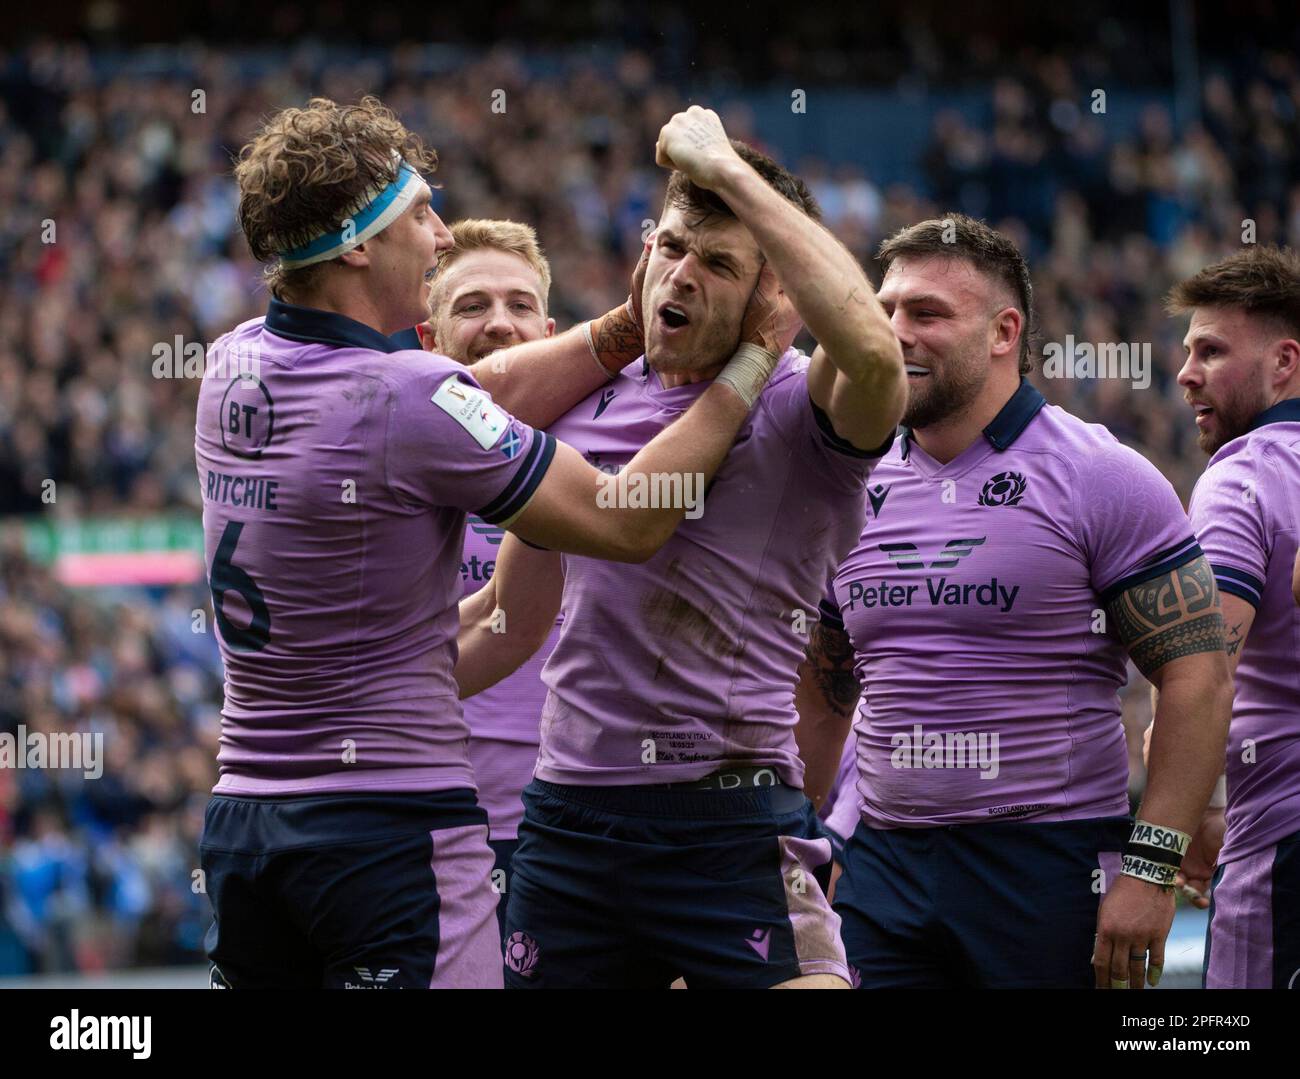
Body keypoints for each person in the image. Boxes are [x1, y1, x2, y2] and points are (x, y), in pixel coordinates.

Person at [196, 96, 788, 989]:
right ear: (358, 247)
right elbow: (627, 520)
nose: (437, 232)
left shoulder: (230, 362)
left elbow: (469, 430)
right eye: (419, 211)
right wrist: (751, 366)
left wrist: (620, 332)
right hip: (387, 837)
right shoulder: (409, 397)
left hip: (246, 828)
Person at [456, 106, 905, 989]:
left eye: (722, 264)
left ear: (771, 292)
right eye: (671, 248)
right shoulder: (591, 385)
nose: (685, 274)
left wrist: (734, 171)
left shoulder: (799, 406)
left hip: (726, 810)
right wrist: (622, 325)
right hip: (570, 814)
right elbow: (462, 407)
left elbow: (878, 360)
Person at [801, 212, 1231, 989]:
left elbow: (1199, 677)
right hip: (882, 863)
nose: (895, 333)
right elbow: (828, 683)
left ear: (1004, 331)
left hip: (1049, 865)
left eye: (927, 313)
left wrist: (1151, 868)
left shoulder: (1100, 474)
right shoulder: (844, 481)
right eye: (884, 311)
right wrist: (801, 843)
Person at [414, 218, 560, 932]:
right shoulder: (387, 466)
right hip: (422, 832)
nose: (500, 324)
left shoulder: (621, 459)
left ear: (552, 329)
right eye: (472, 306)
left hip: (580, 837)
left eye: (520, 305)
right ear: (427, 338)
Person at [1168, 245, 1300, 988]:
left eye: (1211, 350)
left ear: (1283, 362)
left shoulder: (1244, 475)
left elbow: (1200, 675)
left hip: (1279, 845)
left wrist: (1174, 836)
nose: (1185, 372)